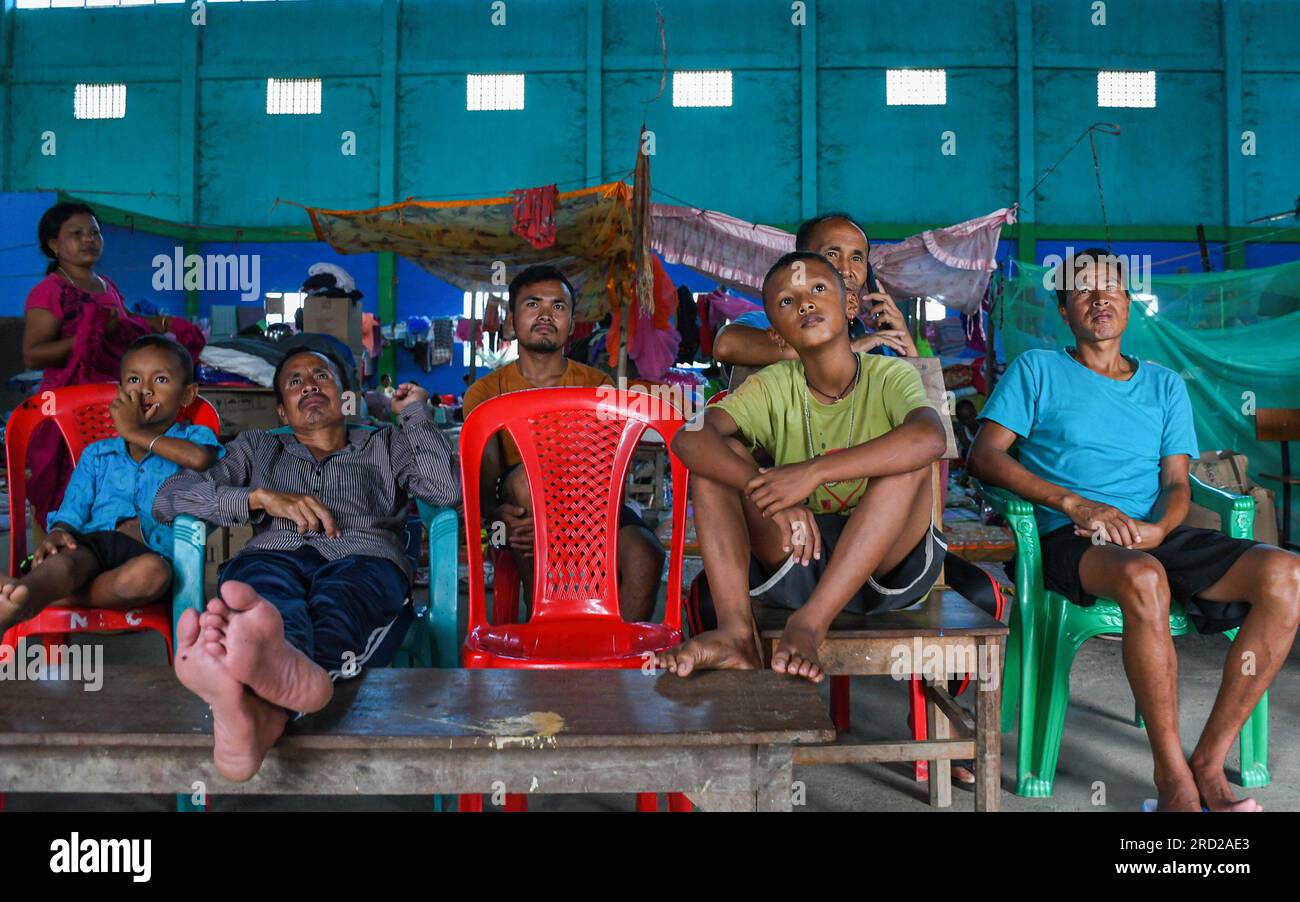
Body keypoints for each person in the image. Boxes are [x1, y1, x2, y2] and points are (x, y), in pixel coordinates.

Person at [969, 247, 1300, 812]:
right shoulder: (1037, 371)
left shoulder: (1165, 385)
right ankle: (1173, 780)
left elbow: (1178, 484)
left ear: (1128, 303)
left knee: (1286, 573)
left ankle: (1208, 761)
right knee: (1145, 578)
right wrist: (1075, 505)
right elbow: (985, 457)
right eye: (1083, 290)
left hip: (1153, 535)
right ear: (1065, 310)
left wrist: (1156, 529)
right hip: (1072, 539)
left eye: (1112, 288)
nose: (1100, 298)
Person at [155, 350, 460, 782]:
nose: (310, 385)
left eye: (322, 376)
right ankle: (283, 691)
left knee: (338, 607)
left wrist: (413, 412)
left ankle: (254, 709)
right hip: (271, 555)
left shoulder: (386, 443)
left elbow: (444, 490)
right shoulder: (258, 448)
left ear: (345, 396)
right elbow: (169, 498)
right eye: (295, 382)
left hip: (362, 558)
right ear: (282, 409)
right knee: (265, 603)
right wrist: (256, 498)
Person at [655, 252, 947, 683]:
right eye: (787, 302)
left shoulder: (890, 376)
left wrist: (810, 473)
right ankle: (736, 634)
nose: (805, 303)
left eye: (818, 290)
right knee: (717, 461)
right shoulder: (773, 385)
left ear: (850, 306)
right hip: (797, 554)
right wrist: (765, 491)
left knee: (909, 460)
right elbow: (689, 438)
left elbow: (930, 439)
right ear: (776, 334)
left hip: (886, 568)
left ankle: (811, 623)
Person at [462, 265, 665, 622]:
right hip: (522, 516)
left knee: (645, 552)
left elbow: (608, 469)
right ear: (511, 320)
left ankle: (617, 657)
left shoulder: (596, 384)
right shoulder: (484, 392)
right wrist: (497, 518)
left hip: (592, 509)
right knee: (526, 484)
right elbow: (483, 476)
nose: (545, 315)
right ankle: (550, 624)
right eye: (532, 304)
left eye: (558, 307)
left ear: (571, 324)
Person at [0, 336, 221, 632]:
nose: (144, 389)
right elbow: (72, 513)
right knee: (67, 562)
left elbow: (201, 460)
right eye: (133, 379)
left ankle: (31, 597)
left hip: (154, 554)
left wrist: (134, 431)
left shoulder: (195, 439)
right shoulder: (98, 454)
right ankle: (27, 594)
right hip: (94, 544)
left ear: (187, 394)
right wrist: (59, 532)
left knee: (150, 575)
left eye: (161, 379)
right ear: (119, 393)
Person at [22, 202, 203, 531]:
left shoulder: (106, 285)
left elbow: (125, 325)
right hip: (69, 404)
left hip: (112, 403)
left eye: (94, 232)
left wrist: (163, 322)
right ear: (53, 245)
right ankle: (56, 550)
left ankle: (114, 544)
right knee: (69, 484)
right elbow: (33, 354)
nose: (89, 239)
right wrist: (88, 335)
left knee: (111, 479)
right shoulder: (50, 291)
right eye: (76, 234)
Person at [711, 213, 918, 374]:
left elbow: (925, 403)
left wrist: (904, 339)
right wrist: (846, 351)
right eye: (831, 254)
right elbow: (726, 345)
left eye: (857, 259)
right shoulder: (772, 325)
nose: (846, 270)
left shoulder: (877, 343)